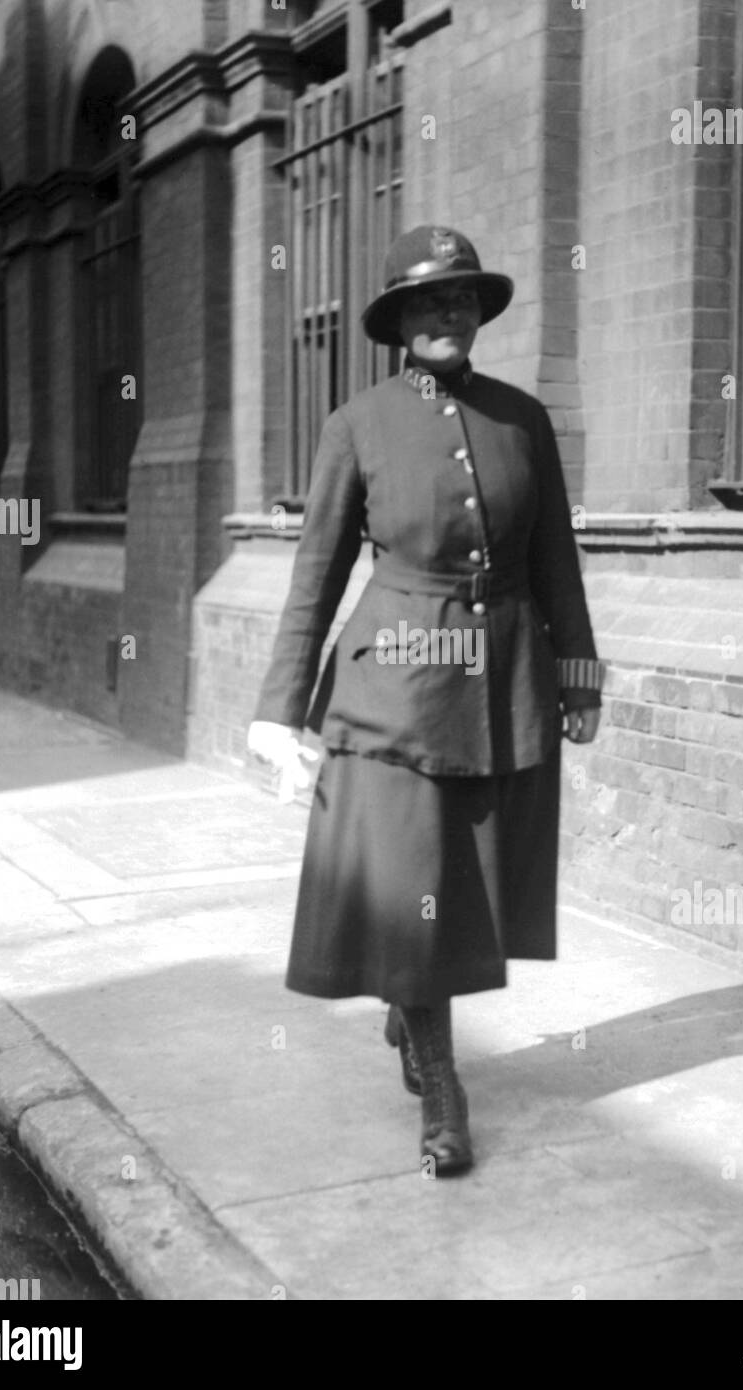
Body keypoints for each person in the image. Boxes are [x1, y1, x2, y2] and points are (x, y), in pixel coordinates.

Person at [248, 224, 600, 1176]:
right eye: (427, 301)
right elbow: (315, 575)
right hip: (393, 686)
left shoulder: (522, 419)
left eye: (461, 298)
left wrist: (577, 674)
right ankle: (442, 1087)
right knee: (417, 886)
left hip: (500, 677)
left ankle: (411, 1013)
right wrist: (278, 709)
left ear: (477, 313)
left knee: (473, 879)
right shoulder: (357, 424)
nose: (446, 313)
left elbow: (553, 560)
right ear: (400, 321)